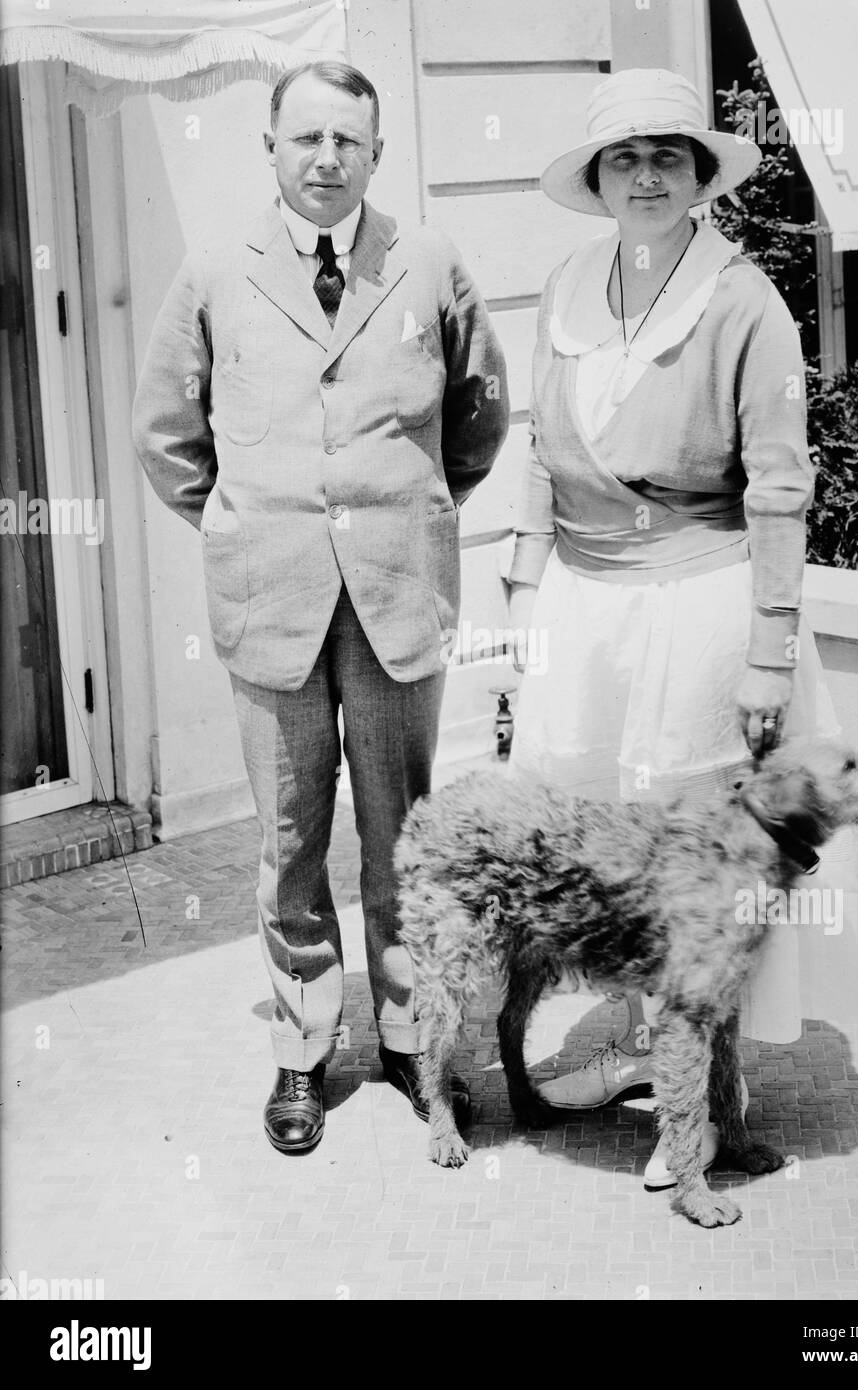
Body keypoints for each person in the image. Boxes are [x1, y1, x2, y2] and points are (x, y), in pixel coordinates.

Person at [133, 61, 509, 1154]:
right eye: (306, 140)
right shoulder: (213, 274)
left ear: (377, 154)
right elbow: (167, 436)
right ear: (271, 147)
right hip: (272, 605)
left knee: (406, 835)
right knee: (290, 840)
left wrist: (413, 508)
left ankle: (405, 1036)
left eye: (348, 140)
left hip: (399, 600)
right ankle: (303, 1048)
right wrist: (243, 523)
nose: (327, 159)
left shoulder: (430, 262)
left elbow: (480, 417)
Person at [507, 69, 858, 1187]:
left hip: (703, 611)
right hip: (585, 610)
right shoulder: (567, 286)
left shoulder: (745, 299)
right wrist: (522, 605)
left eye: (670, 154)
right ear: (601, 182)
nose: (649, 174)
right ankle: (631, 1043)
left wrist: (768, 645)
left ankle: (708, 1105)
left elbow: (777, 488)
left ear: (701, 174)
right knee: (601, 850)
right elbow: (536, 460)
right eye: (627, 158)